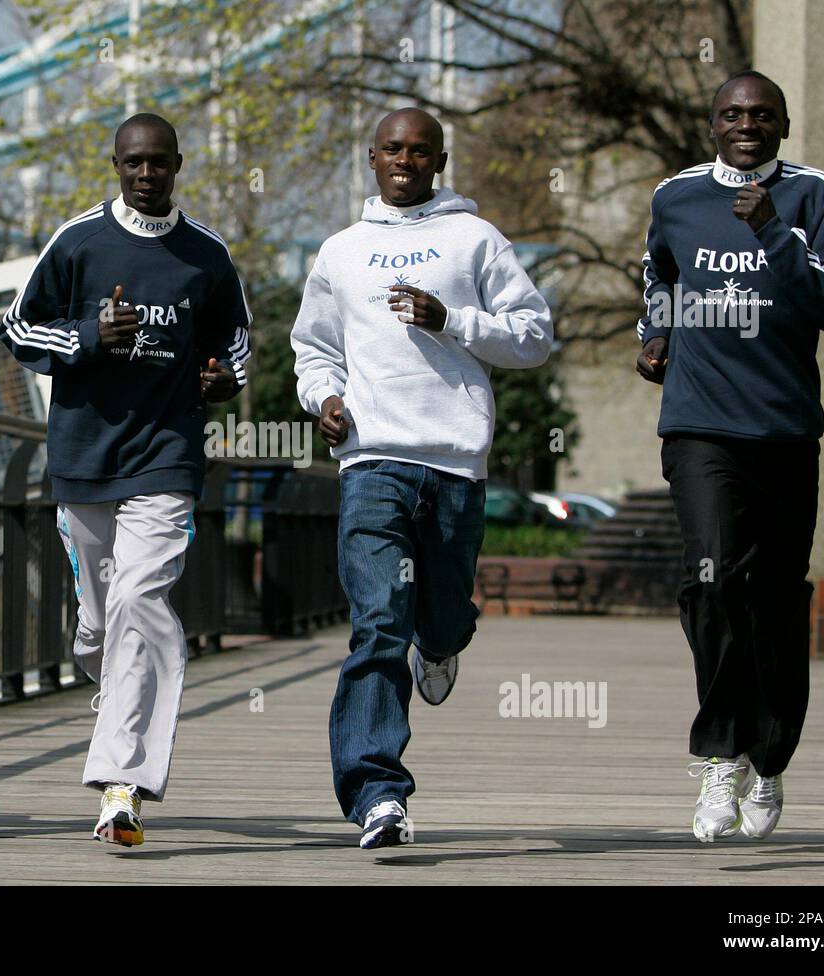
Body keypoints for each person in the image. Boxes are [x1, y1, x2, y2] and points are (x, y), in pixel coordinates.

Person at [291, 108, 552, 849]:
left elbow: (534, 336)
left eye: (419, 151)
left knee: (437, 614)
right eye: (392, 150)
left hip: (453, 462)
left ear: (438, 160)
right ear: (372, 157)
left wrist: (455, 319)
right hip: (373, 461)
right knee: (377, 622)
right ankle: (378, 793)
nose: (405, 160)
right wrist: (327, 400)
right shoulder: (340, 252)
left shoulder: (474, 239)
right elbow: (313, 350)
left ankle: (442, 643)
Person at [0, 113, 251, 847]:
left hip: (166, 457)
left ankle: (120, 785)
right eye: (134, 163)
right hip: (84, 458)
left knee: (142, 601)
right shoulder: (77, 241)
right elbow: (18, 329)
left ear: (179, 164)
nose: (147, 175)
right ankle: (104, 665)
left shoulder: (205, 254)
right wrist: (85, 339)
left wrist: (223, 377)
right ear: (115, 164)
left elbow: (235, 341)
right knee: (102, 626)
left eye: (160, 164)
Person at [634, 70, 824, 842]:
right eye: (732, 113)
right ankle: (720, 752)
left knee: (773, 602)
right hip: (699, 426)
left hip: (784, 432)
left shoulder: (813, 196)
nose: (746, 124)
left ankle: (769, 759)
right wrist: (656, 335)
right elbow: (658, 274)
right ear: (713, 124)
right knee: (708, 582)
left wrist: (773, 228)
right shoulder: (677, 197)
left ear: (783, 124)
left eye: (761, 114)